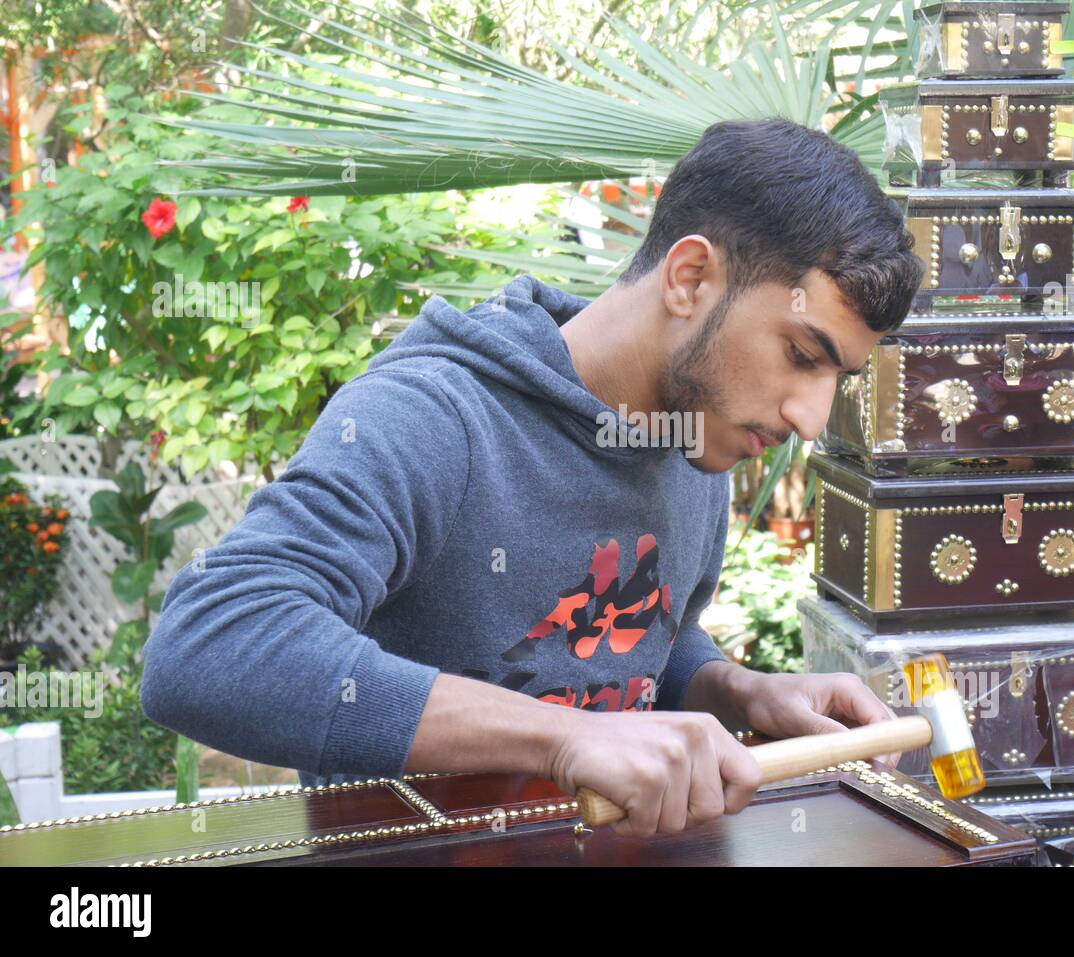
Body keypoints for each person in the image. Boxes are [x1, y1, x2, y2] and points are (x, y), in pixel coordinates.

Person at [140, 116, 924, 839]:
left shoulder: (699, 441)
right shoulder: (432, 417)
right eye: (802, 354)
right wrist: (566, 739)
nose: (812, 419)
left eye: (838, 376)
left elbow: (648, 638)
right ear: (690, 278)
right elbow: (208, 643)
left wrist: (731, 687)